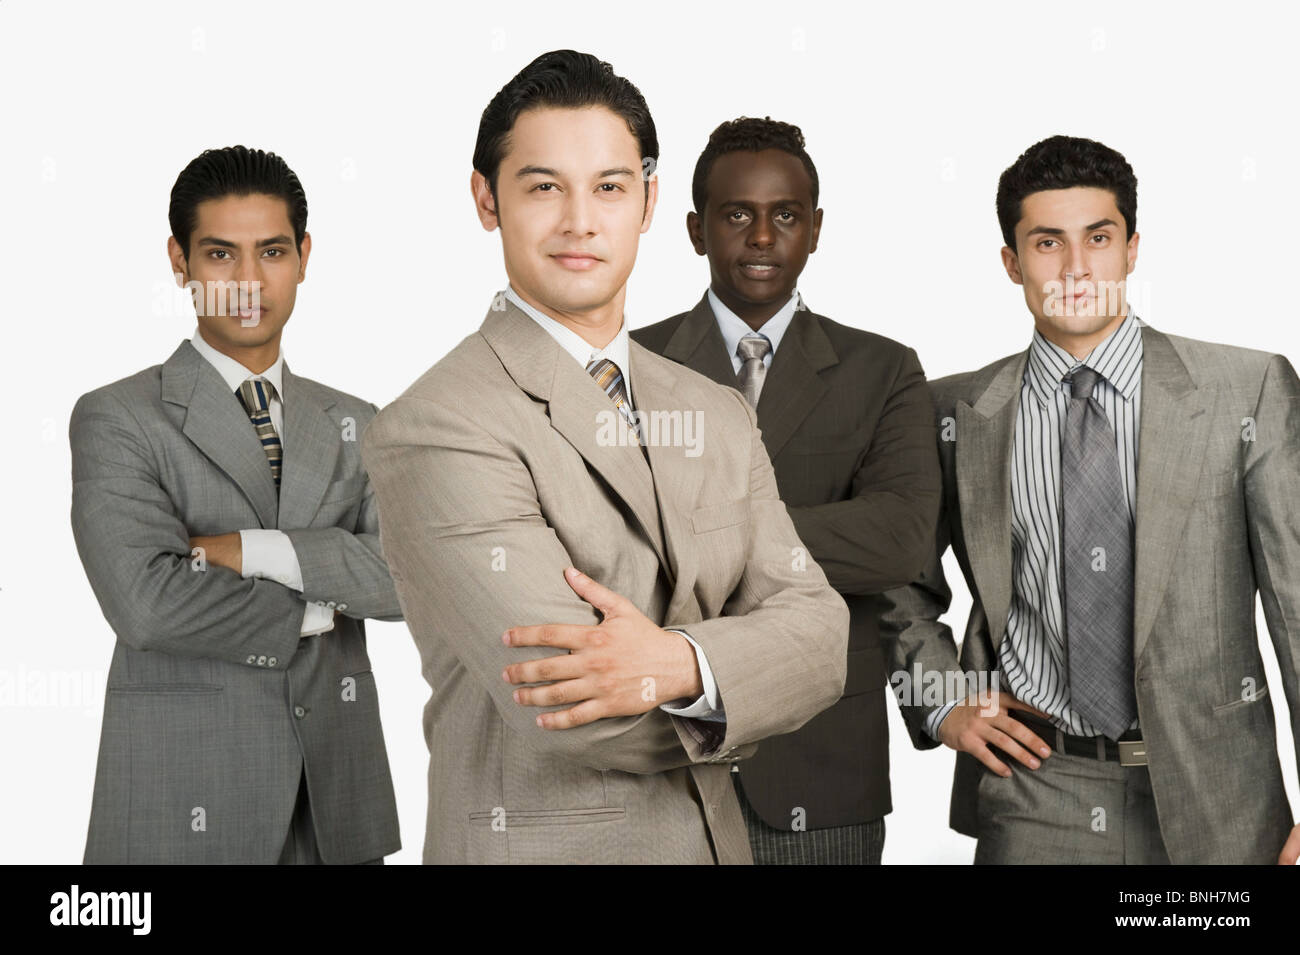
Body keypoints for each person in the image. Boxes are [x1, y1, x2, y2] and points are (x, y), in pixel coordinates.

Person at [361, 50, 849, 864]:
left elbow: (824, 637)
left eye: (610, 187)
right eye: (544, 186)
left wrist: (676, 660)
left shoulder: (715, 410)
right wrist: (741, 674)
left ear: (650, 202)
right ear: (488, 198)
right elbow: (584, 715)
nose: (581, 220)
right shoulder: (437, 424)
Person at [881, 134, 1300, 864]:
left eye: (1098, 238)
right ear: (1011, 262)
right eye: (1048, 243)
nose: (1076, 268)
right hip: (1038, 790)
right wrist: (941, 695)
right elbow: (893, 578)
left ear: (1132, 248)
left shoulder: (1250, 389)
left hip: (1223, 799)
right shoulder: (953, 412)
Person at [71, 145, 402, 864]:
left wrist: (255, 552)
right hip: (182, 806)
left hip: (336, 811)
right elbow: (147, 603)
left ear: (304, 256)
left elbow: (409, 578)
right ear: (179, 261)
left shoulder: (359, 422)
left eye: (272, 251)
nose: (248, 281)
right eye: (220, 254)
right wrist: (322, 602)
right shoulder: (119, 417)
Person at [631, 116, 940, 864]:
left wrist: (705, 535)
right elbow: (603, 541)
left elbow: (899, 539)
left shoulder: (884, 370)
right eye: (738, 215)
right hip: (657, 757)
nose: (763, 237)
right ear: (697, 229)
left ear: (816, 228)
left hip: (823, 759)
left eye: (786, 216)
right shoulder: (629, 365)